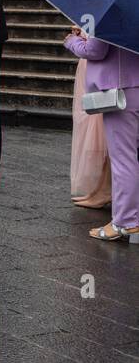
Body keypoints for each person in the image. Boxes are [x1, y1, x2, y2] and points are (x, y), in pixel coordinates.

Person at [64, 30, 139, 243]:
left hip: (119, 90)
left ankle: (125, 222)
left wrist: (73, 41)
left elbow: (95, 50)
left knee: (124, 159)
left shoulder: (109, 11)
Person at [69, 57, 113, 209]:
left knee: (107, 133)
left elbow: (97, 50)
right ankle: (101, 188)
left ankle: (105, 189)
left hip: (101, 64)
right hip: (93, 63)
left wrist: (74, 42)